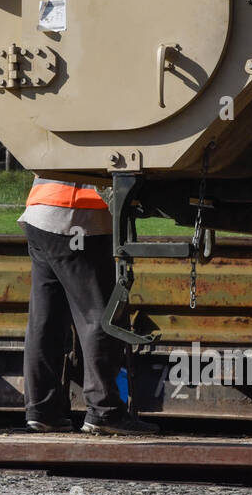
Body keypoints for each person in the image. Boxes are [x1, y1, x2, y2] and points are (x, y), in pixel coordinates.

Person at [19, 175, 158, 435]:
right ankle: (105, 411)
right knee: (99, 315)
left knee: (45, 318)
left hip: (40, 212)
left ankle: (41, 410)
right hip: (78, 217)